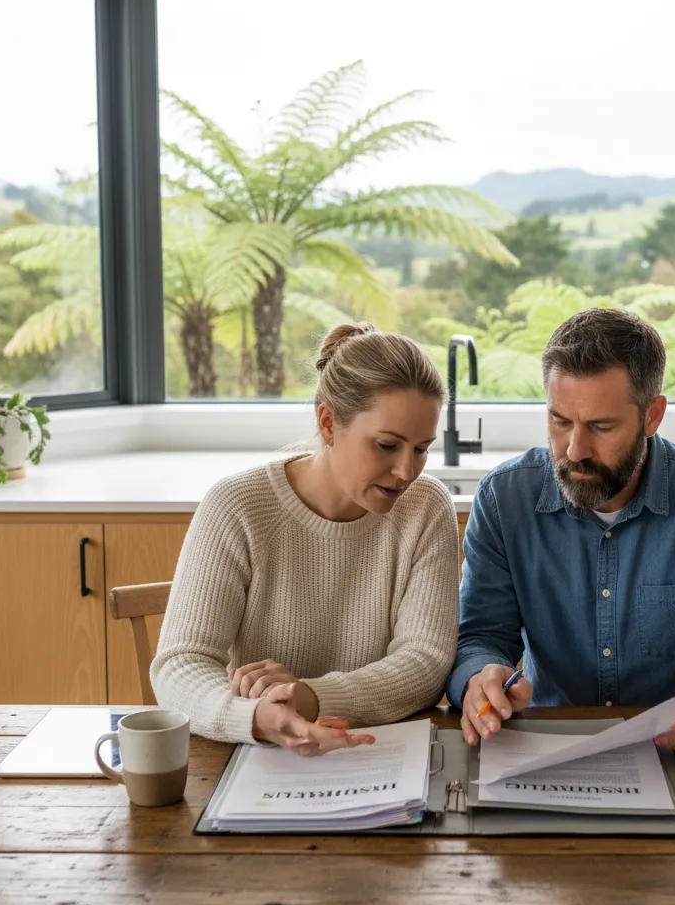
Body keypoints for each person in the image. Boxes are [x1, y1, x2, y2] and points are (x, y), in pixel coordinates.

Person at [447, 308, 675, 762]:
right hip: (547, 753)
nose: (575, 449)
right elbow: (478, 637)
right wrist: (479, 678)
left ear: (652, 416)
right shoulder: (504, 499)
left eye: (601, 427)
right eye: (560, 421)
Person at [151, 322, 460, 754]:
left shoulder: (426, 508)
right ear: (328, 423)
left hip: (379, 755)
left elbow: (425, 663)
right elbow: (180, 666)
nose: (406, 471)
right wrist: (257, 717)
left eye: (421, 448)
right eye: (387, 445)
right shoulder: (237, 507)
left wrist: (309, 698)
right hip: (260, 758)